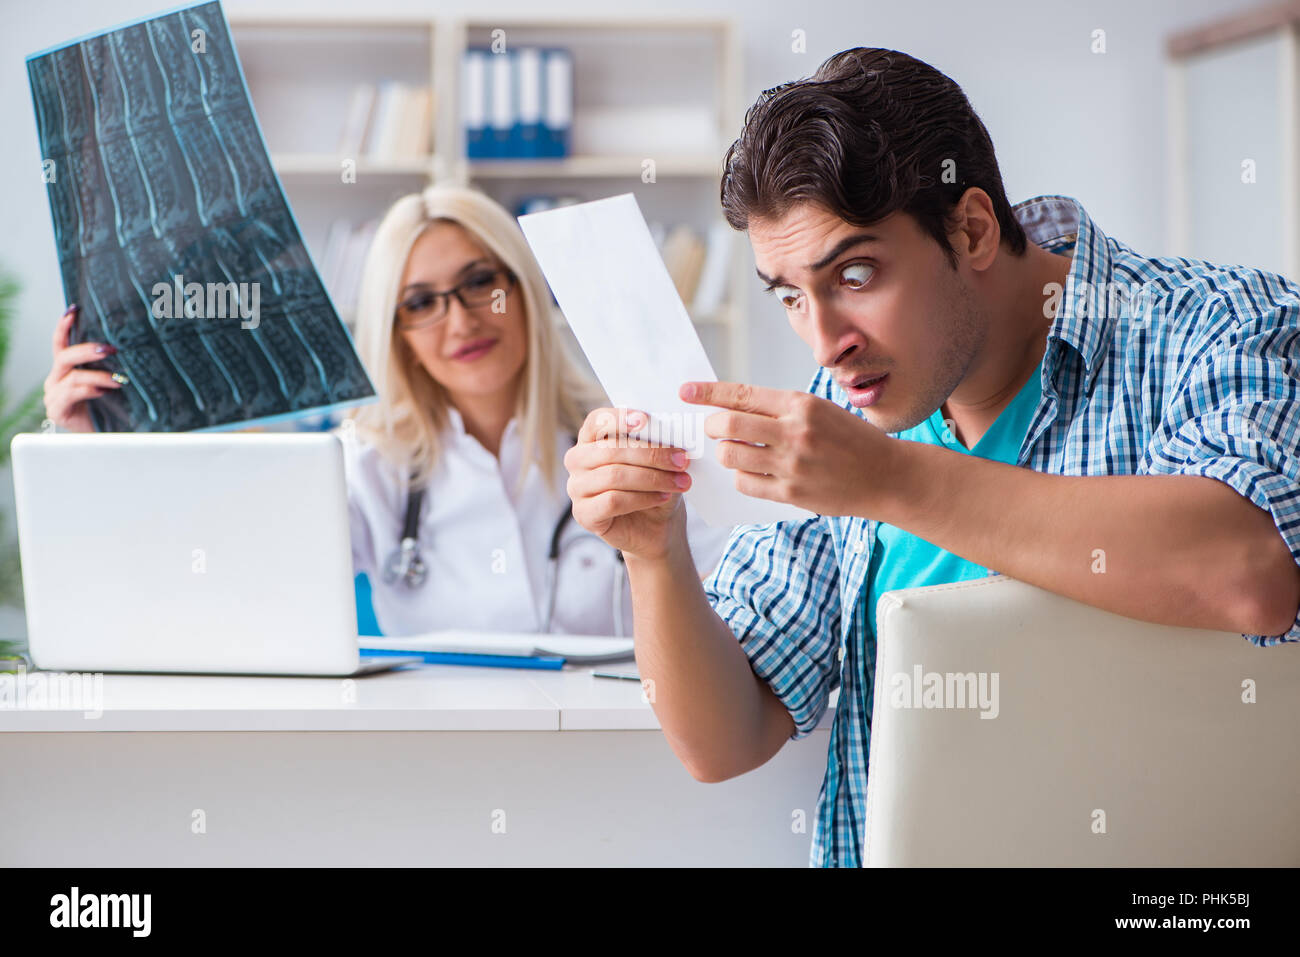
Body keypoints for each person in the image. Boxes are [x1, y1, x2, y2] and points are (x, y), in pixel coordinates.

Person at [563, 47, 1300, 866]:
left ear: (972, 229)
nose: (826, 341)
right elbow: (723, 738)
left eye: (856, 273)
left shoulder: (1223, 326)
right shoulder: (848, 401)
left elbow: (1251, 569)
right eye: (792, 295)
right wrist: (654, 553)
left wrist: (889, 480)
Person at [42, 185, 731, 637]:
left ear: (522, 288)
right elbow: (221, 583)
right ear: (397, 332)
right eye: (421, 302)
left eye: (479, 282)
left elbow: (729, 593)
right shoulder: (367, 467)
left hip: (614, 760)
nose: (460, 320)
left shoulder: (631, 437)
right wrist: (89, 446)